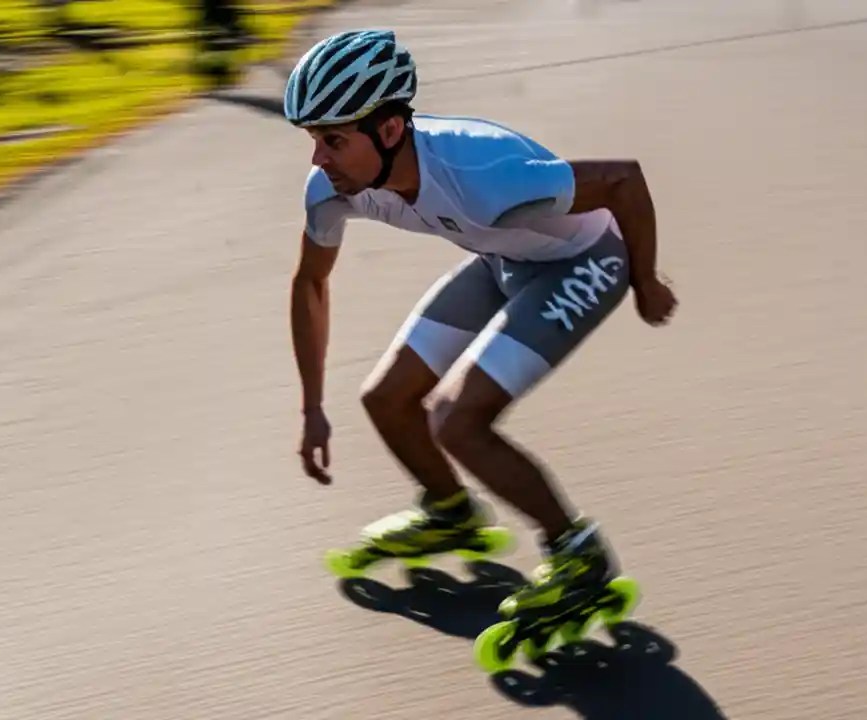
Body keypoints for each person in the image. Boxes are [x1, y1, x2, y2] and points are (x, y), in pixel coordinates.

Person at [286, 29, 677, 617]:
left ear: (389, 130)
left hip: (585, 259)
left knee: (455, 419)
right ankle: (451, 514)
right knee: (386, 399)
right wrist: (312, 407)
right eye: (314, 139)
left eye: (334, 141)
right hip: (505, 258)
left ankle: (579, 556)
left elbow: (624, 178)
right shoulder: (334, 189)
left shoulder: (484, 171)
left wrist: (646, 282)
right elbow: (310, 283)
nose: (319, 159)